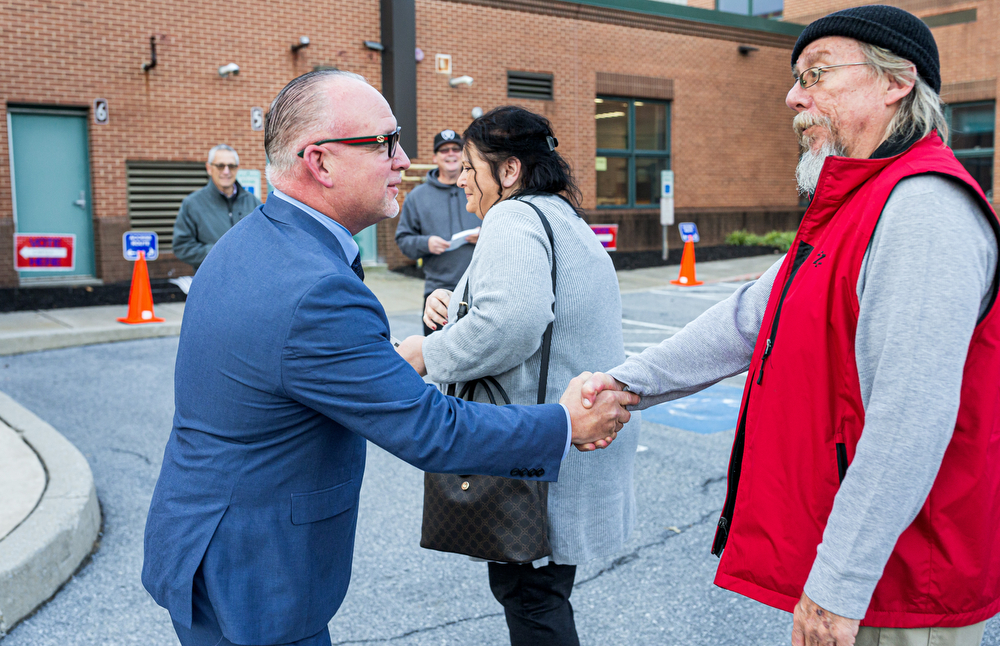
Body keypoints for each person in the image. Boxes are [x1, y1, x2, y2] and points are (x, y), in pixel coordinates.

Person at [141, 70, 636, 646]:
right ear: (320, 163)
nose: (405, 160)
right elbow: (429, 428)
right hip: (256, 576)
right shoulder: (312, 288)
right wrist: (564, 423)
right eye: (383, 143)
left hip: (207, 546)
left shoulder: (255, 241)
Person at [583, 6, 999, 646]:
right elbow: (747, 319)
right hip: (865, 582)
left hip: (899, 592)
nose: (792, 97)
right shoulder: (858, 203)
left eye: (816, 75)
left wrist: (837, 585)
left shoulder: (923, 209)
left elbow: (908, 420)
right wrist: (624, 384)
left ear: (897, 83)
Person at [395, 106, 640, 646]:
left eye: (471, 166)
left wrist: (425, 352)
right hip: (568, 448)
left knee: (532, 603)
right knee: (541, 597)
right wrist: (452, 303)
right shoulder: (562, 218)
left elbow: (513, 323)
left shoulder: (513, 216)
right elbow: (538, 310)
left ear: (509, 172)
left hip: (538, 461)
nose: (460, 177)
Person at [395, 129, 482, 335]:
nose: (450, 154)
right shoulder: (417, 197)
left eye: (455, 149)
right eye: (444, 150)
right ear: (435, 157)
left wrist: (485, 236)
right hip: (438, 294)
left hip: (479, 288)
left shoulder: (480, 189)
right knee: (438, 362)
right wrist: (426, 244)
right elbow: (403, 240)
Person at [172, 144, 260, 271]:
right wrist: (220, 252)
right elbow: (182, 247)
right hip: (212, 282)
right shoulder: (192, 204)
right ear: (209, 168)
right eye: (220, 166)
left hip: (247, 281)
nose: (226, 171)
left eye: (231, 166)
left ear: (237, 168)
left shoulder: (253, 202)